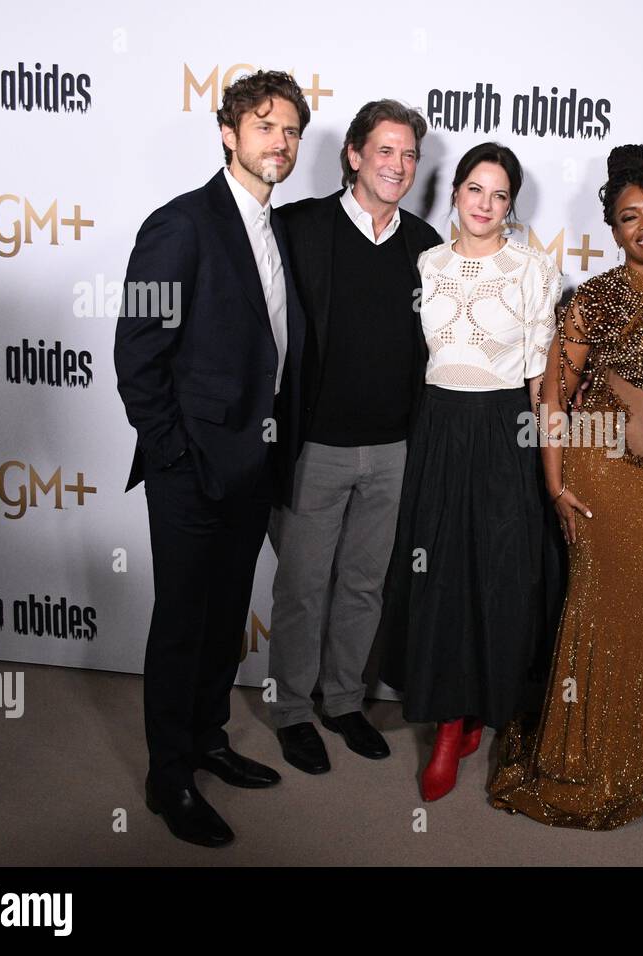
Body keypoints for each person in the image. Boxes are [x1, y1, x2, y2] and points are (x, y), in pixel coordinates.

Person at [488, 144, 643, 829]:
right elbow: (553, 394)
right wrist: (556, 485)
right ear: (612, 230)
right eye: (627, 216)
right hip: (601, 479)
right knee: (594, 614)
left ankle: (639, 760)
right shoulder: (596, 298)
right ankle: (578, 757)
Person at [114, 70, 309, 847]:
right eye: (266, 126)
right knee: (183, 623)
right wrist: (175, 458)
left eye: (291, 131)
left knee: (227, 617)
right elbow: (138, 356)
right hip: (191, 469)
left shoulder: (278, 227)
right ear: (229, 134)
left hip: (252, 465)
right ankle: (168, 779)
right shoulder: (180, 225)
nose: (281, 143)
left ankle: (207, 739)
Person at [376, 142, 563, 801]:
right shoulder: (426, 263)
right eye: (474, 189)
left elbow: (542, 376)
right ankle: (449, 727)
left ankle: (485, 705)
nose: (485, 204)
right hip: (437, 431)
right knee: (442, 578)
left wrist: (551, 464)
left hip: (503, 431)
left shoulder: (535, 267)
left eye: (499, 194)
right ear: (454, 192)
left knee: (500, 576)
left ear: (511, 206)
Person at [265, 101, 442, 775]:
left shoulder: (426, 246)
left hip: (394, 449)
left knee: (364, 585)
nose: (398, 165)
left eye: (408, 155)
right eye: (385, 151)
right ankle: (288, 713)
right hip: (316, 445)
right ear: (355, 156)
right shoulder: (299, 227)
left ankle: (342, 702)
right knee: (304, 586)